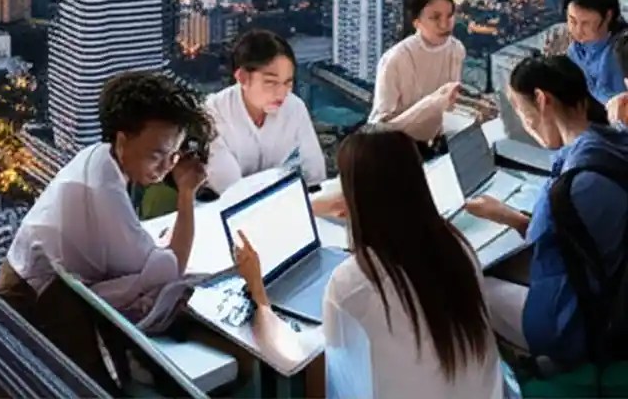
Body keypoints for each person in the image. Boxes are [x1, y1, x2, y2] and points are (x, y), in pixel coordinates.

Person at [234, 127, 503, 398]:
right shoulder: (456, 246)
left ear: (356, 196)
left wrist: (259, 293)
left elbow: (290, 354)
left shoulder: (354, 283)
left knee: (319, 363)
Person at [0, 71, 211, 384]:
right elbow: (170, 268)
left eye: (174, 155)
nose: (167, 167)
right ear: (123, 139)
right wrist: (187, 193)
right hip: (35, 308)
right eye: (157, 155)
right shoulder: (103, 190)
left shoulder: (98, 157)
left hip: (39, 287)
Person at [465, 55, 628, 371]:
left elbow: (542, 244)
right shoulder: (614, 143)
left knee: (471, 281)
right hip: (612, 286)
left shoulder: (571, 185)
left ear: (542, 100)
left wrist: (510, 218)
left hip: (583, 323)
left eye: (523, 112)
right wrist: (508, 216)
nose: (526, 124)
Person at [202, 30, 326, 194]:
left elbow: (314, 174)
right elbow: (229, 189)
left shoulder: (294, 107)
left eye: (288, 83)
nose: (282, 93)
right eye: (271, 83)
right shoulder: (214, 112)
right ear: (243, 78)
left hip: (280, 202)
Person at [369, 0, 464, 153]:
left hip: (441, 145)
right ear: (416, 22)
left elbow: (450, 108)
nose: (445, 24)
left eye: (449, 16)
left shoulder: (456, 49)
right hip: (398, 151)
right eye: (435, 17)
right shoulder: (395, 59)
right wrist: (430, 104)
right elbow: (378, 129)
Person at [561, 0, 628, 104]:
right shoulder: (574, 52)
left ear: (608, 16)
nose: (578, 30)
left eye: (585, 23)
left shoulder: (623, 51)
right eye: (572, 21)